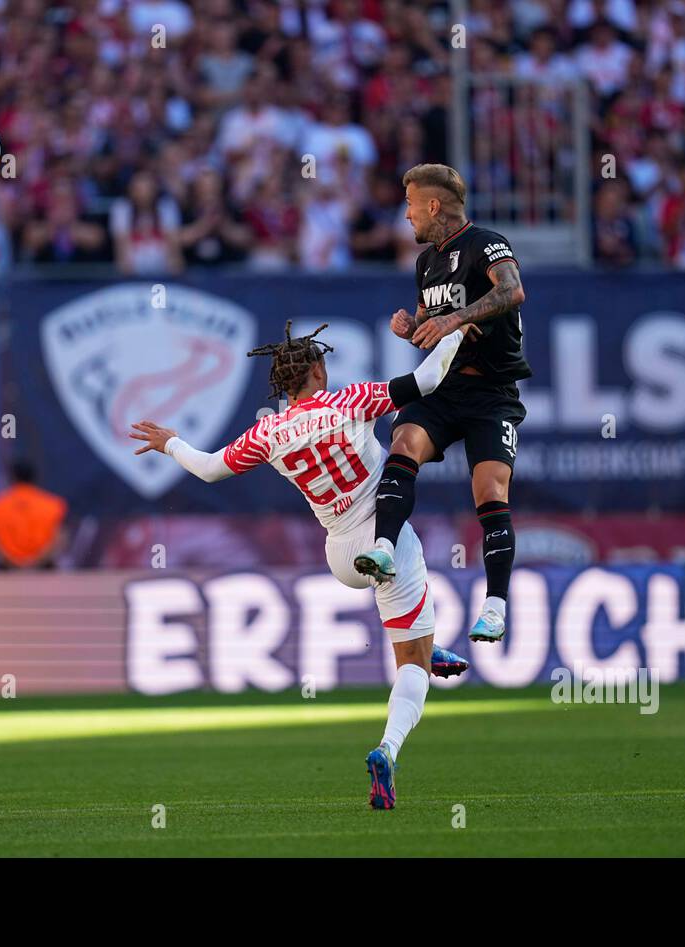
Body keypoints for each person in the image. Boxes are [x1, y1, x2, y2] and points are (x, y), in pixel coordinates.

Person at [131, 321, 473, 811]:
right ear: (319, 369)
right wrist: (457, 329)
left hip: (338, 551)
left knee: (409, 627)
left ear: (281, 383)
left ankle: (428, 642)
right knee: (411, 664)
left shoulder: (269, 432)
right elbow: (426, 379)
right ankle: (388, 748)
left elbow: (208, 468)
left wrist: (170, 443)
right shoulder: (350, 401)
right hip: (384, 537)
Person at [354, 163, 529, 646]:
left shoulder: (486, 243)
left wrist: (454, 320)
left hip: (491, 394)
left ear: (434, 205)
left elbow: (512, 290)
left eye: (411, 206)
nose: (406, 217)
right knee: (403, 442)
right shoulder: (425, 263)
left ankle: (494, 607)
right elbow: (435, 329)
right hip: (443, 390)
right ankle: (384, 548)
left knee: (490, 488)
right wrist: (415, 329)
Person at [0, 461, 68, 570]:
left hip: (6, 572)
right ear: (35, 478)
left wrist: (13, 562)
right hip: (44, 571)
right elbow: (60, 538)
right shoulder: (53, 505)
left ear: (12, 478)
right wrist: (36, 562)